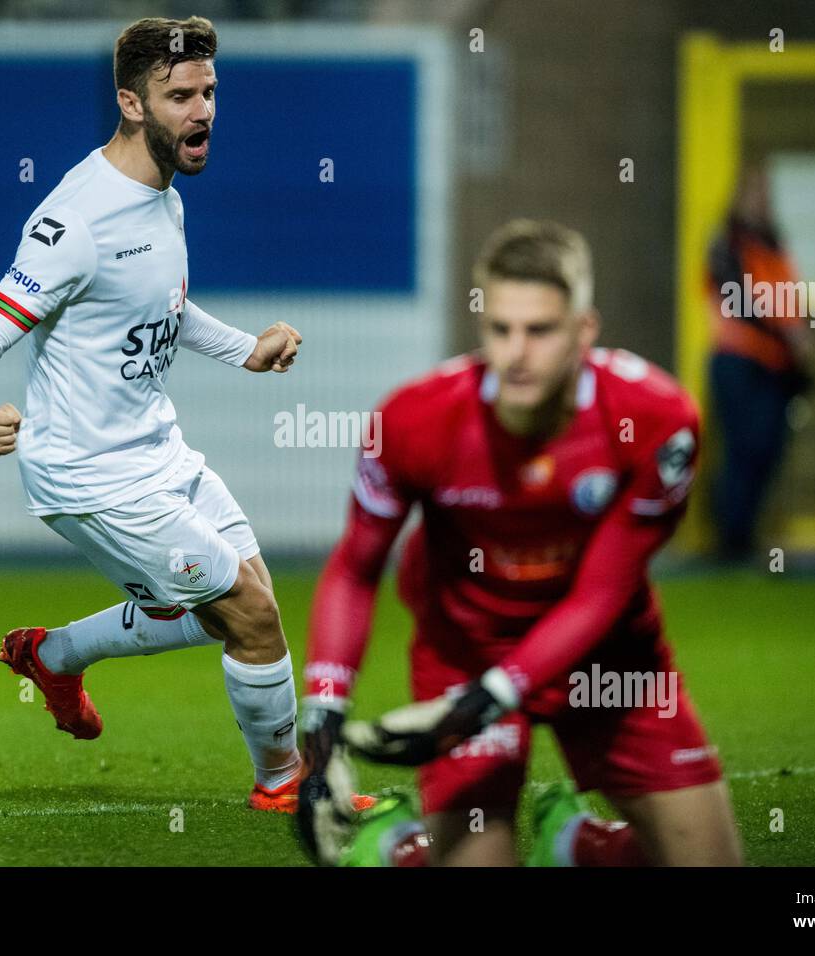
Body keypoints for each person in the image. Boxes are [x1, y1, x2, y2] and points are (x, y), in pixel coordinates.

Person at [0, 16, 361, 815]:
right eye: (180, 96)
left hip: (155, 450)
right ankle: (286, 786)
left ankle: (56, 655)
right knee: (249, 614)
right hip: (87, 473)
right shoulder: (76, 221)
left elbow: (161, 302)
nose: (202, 110)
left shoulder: (161, 195)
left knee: (244, 606)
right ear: (132, 103)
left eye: (209, 92)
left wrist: (244, 348)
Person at [297, 219, 743, 866]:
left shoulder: (656, 420)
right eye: (500, 329)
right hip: (466, 651)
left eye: (540, 330)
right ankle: (396, 848)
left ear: (584, 330)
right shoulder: (414, 421)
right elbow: (356, 569)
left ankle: (576, 843)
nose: (516, 353)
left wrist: (492, 698)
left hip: (607, 655)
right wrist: (324, 720)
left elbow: (602, 592)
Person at [705, 163, 813, 559]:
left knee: (767, 448)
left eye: (766, 193)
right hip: (737, 362)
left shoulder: (774, 245)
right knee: (741, 449)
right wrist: (792, 334)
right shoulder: (726, 244)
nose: (761, 201)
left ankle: (745, 536)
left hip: (775, 368)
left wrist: (802, 334)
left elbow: (790, 298)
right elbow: (740, 301)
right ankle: (729, 542)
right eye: (754, 192)